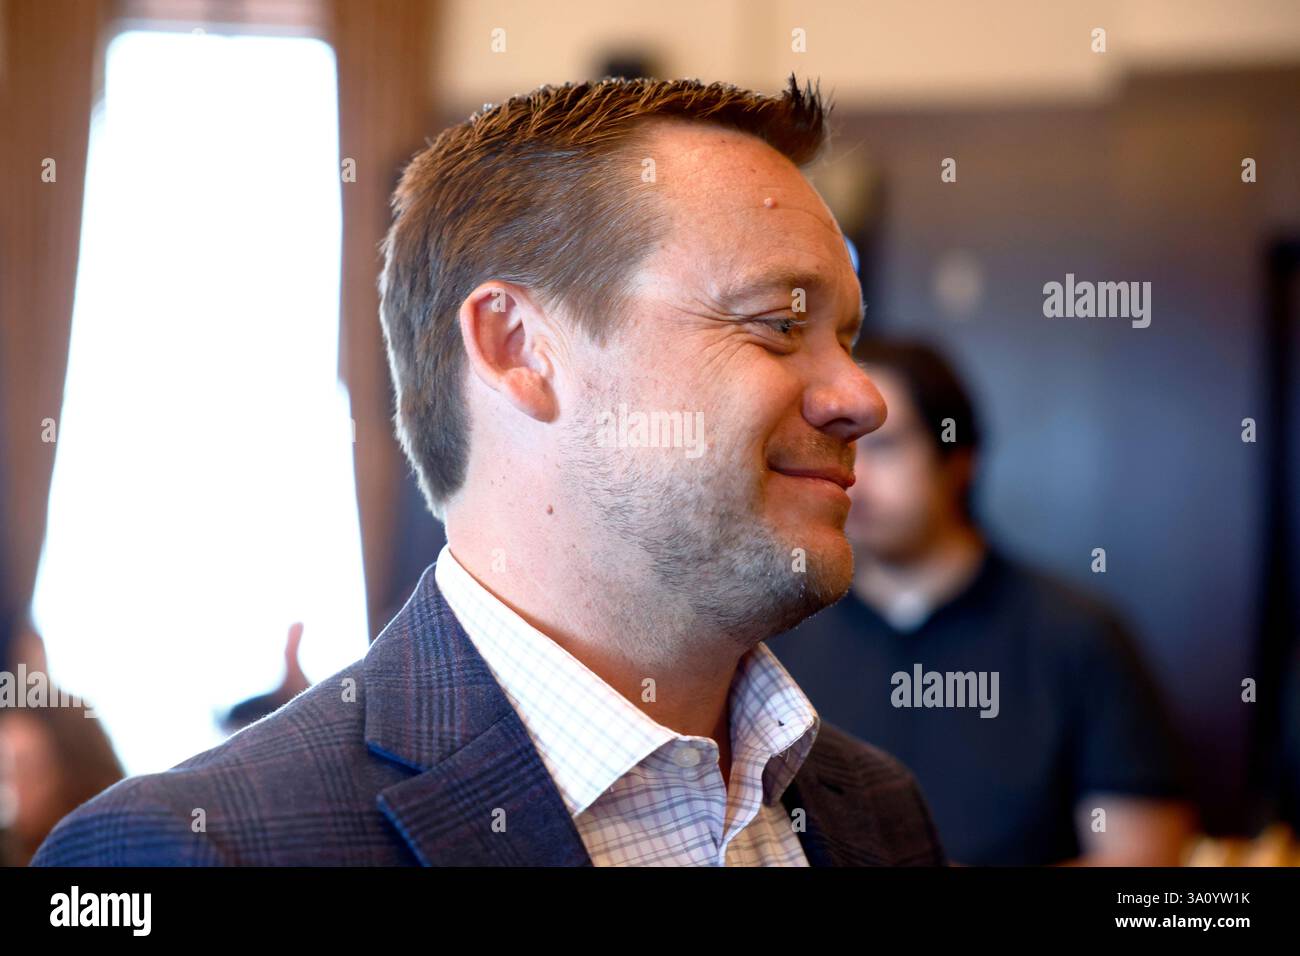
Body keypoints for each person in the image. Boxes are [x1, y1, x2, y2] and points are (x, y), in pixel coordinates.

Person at [33, 76, 945, 866]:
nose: (861, 398)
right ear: (519, 347)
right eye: (779, 323)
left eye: (847, 338)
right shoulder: (199, 850)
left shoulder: (876, 812)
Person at [766, 338, 1197, 865]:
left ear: (959, 459)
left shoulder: (1076, 634)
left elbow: (1142, 857)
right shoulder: (782, 632)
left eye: (884, 447)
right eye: (844, 446)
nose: (857, 478)